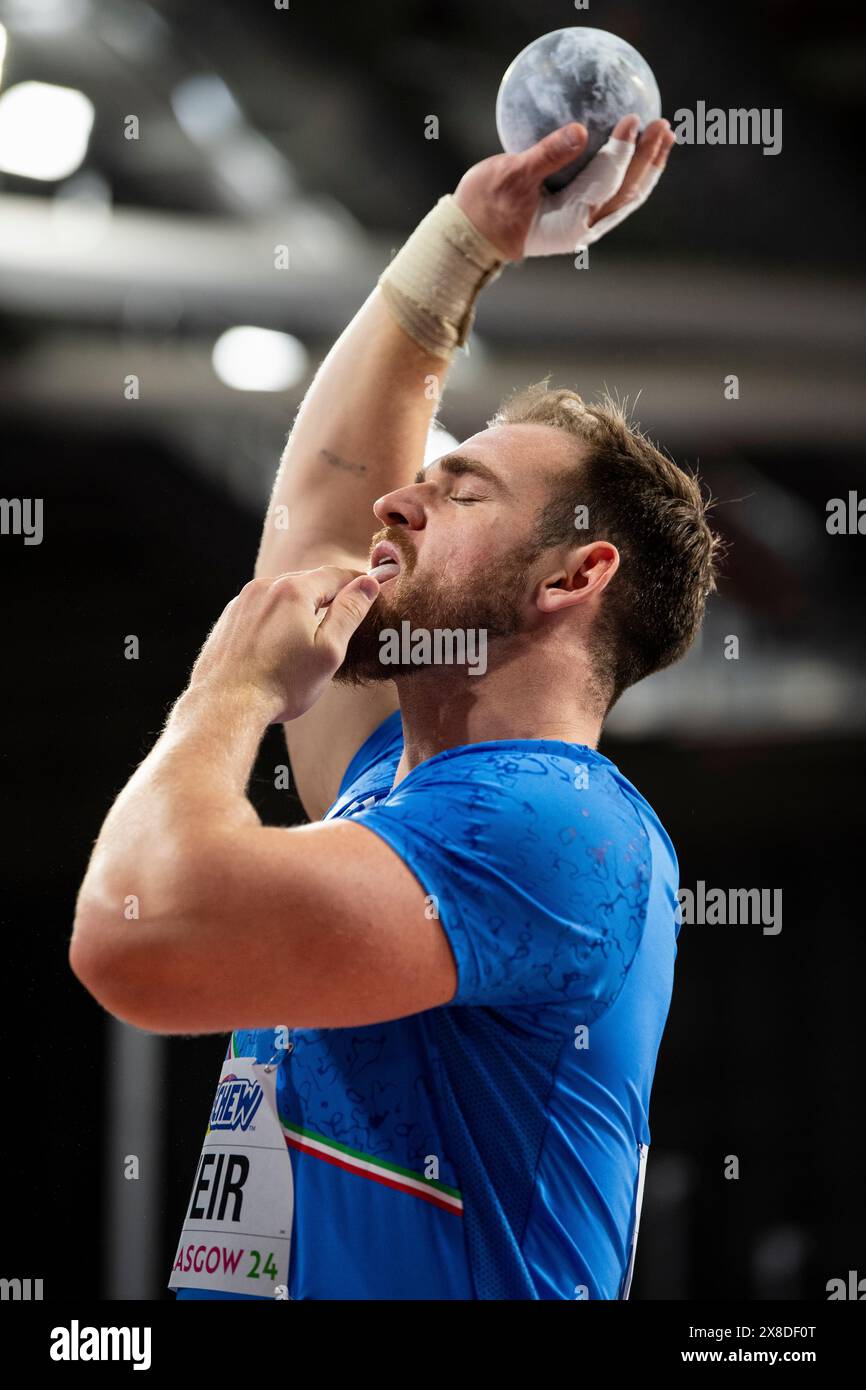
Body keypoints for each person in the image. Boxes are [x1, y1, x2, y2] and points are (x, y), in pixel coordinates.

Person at [71, 114, 720, 1300]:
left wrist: (226, 693)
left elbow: (135, 931)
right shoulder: (401, 784)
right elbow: (318, 526)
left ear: (570, 574)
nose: (397, 508)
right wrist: (458, 248)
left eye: (456, 489)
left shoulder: (546, 827)